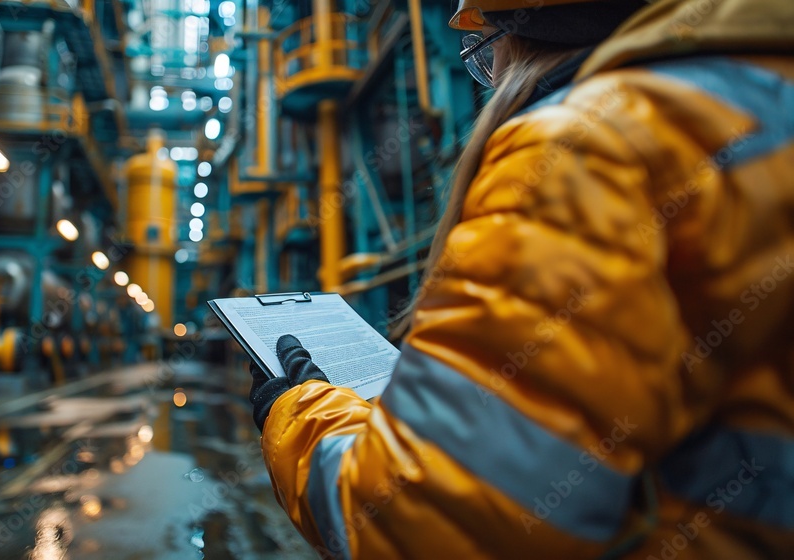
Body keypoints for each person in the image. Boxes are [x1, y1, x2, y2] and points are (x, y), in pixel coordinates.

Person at [248, 0, 794, 558]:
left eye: (485, 54)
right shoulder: (758, 94)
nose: (490, 80)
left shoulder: (588, 149)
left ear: (523, 34)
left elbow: (429, 525)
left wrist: (298, 409)